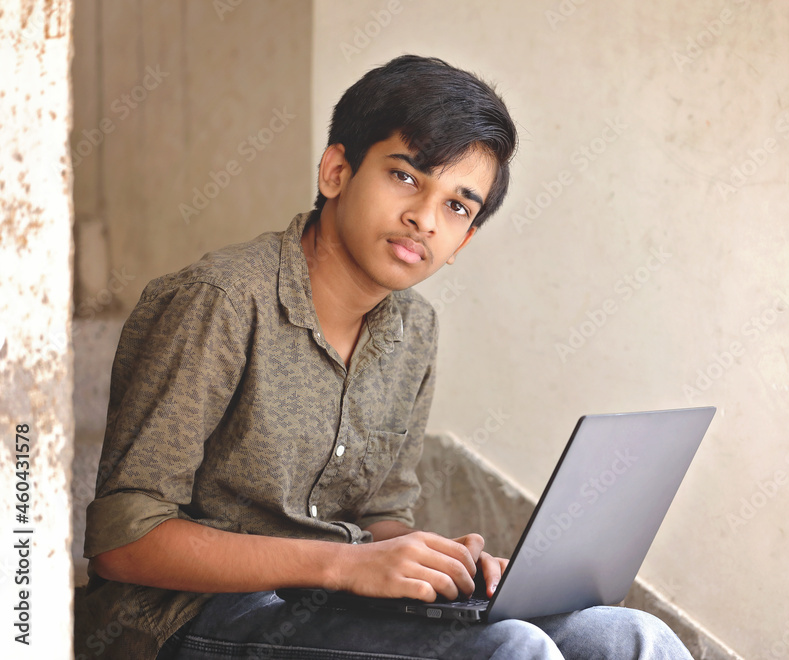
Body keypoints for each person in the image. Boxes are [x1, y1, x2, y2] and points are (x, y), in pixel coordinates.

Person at [80, 55, 693, 660]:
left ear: (464, 241)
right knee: (513, 650)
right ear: (336, 171)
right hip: (185, 621)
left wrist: (436, 561)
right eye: (406, 176)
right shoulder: (218, 303)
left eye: (457, 206)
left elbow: (378, 514)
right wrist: (345, 565)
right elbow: (123, 539)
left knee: (632, 636)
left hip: (331, 605)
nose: (424, 219)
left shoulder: (414, 330)